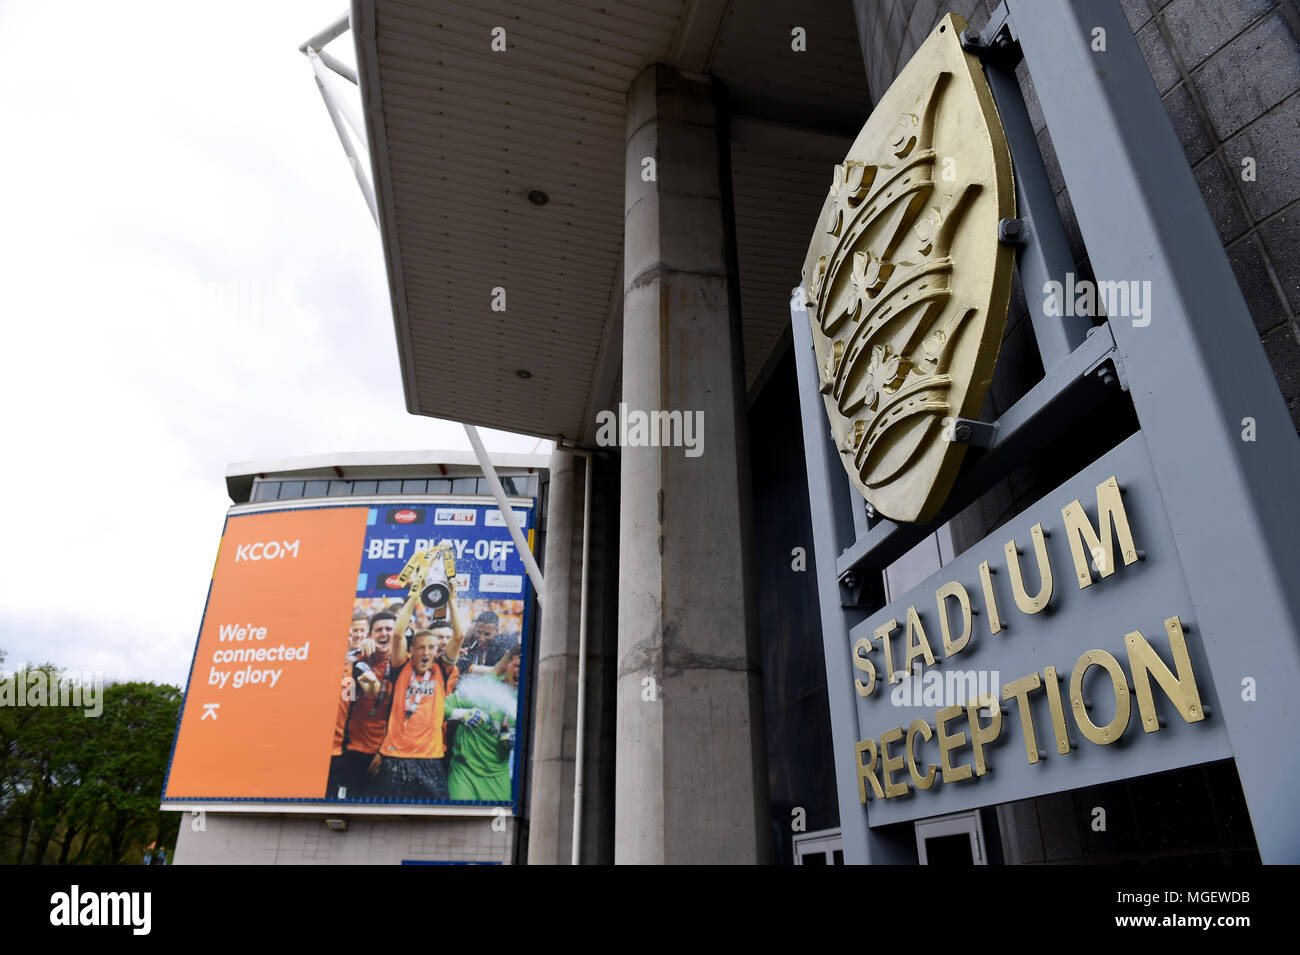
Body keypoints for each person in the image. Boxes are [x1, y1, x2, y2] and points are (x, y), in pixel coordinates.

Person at [368, 579, 468, 801]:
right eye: (421, 647)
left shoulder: (442, 669)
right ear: (412, 650)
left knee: (436, 815)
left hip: (430, 757)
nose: (426, 651)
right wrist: (414, 595)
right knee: (391, 815)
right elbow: (397, 634)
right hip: (395, 757)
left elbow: (459, 636)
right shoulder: (400, 666)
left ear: (436, 652)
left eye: (431, 647)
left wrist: (450, 598)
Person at [444, 644, 521, 802]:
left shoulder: (532, 700)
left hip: (498, 777)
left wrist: (518, 741)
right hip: (464, 773)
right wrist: (462, 714)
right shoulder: (484, 687)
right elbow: (442, 707)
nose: (522, 671)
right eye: (518, 666)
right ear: (506, 665)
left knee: (499, 826)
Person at [325, 610, 372, 799]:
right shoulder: (331, 662)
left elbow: (354, 698)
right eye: (353, 631)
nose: (357, 635)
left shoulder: (362, 664)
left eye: (362, 631)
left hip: (346, 747)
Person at [456, 610, 503, 677]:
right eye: (479, 632)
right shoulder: (467, 643)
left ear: (497, 631)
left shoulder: (501, 649)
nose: (481, 638)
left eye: (487, 634)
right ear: (475, 628)